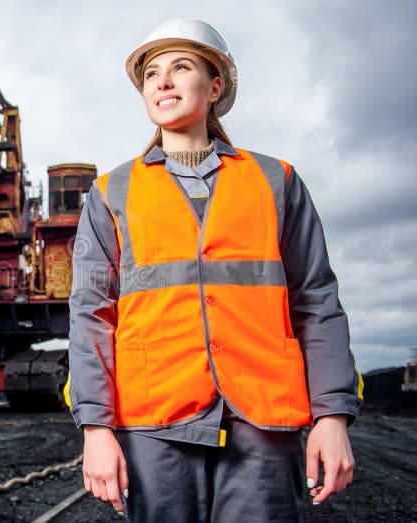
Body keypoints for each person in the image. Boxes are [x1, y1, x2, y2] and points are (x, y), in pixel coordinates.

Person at [67, 19, 363, 522]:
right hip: (154, 421)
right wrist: (96, 429)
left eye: (181, 67)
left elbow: (315, 300)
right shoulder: (112, 192)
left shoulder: (275, 181)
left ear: (215, 86)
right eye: (151, 74)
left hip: (262, 418)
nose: (163, 81)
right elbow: (91, 314)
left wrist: (332, 415)